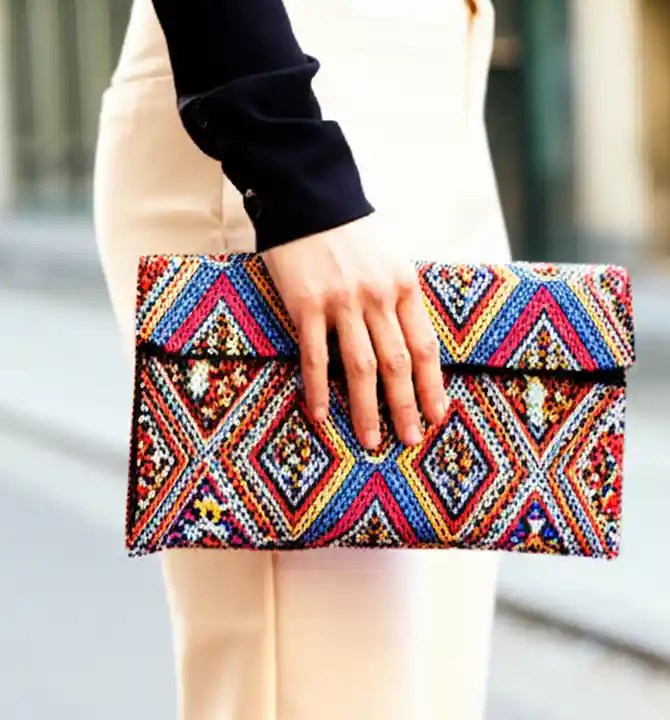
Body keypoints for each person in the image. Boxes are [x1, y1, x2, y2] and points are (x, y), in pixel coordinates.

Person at [93, 1, 511, 718]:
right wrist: (292, 173)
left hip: (439, 74)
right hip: (293, 83)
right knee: (329, 692)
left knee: (427, 691)